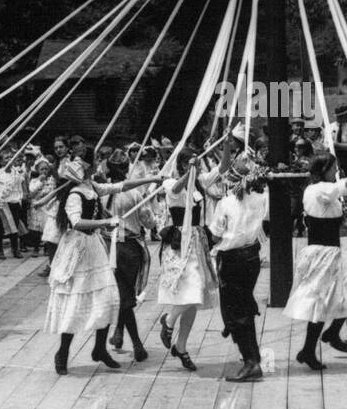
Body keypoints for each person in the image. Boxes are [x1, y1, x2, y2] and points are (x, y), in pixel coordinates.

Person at [288, 151, 347, 370]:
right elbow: (345, 185)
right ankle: (313, 347)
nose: (336, 172)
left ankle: (320, 341)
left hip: (331, 253)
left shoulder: (318, 191)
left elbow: (326, 209)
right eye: (333, 168)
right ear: (324, 171)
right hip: (324, 255)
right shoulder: (320, 189)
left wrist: (343, 213)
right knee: (334, 300)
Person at [46, 145, 126, 375]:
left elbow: (119, 186)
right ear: (89, 164)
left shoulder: (91, 186)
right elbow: (76, 222)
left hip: (94, 248)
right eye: (97, 160)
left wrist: (155, 178)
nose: (100, 163)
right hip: (77, 250)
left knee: (108, 296)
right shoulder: (74, 193)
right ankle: (62, 352)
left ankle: (100, 348)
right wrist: (104, 223)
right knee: (75, 301)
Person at [157, 145, 226, 371]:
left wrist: (226, 144)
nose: (194, 167)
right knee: (191, 291)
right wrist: (190, 172)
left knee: (195, 295)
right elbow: (176, 188)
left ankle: (181, 345)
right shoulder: (170, 181)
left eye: (195, 163)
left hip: (196, 239)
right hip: (179, 241)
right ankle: (168, 322)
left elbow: (223, 167)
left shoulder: (200, 181)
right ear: (182, 164)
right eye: (189, 163)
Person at [208, 154, 270, 382]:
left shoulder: (225, 203)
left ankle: (251, 361)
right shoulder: (261, 197)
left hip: (232, 259)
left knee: (235, 311)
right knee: (244, 305)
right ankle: (251, 356)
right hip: (252, 257)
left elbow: (215, 235)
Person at [99, 150, 163, 362]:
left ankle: (118, 333)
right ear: (127, 169)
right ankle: (137, 344)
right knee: (125, 295)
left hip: (107, 246)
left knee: (122, 293)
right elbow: (149, 222)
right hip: (129, 249)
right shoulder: (135, 194)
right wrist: (156, 216)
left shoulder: (101, 191)